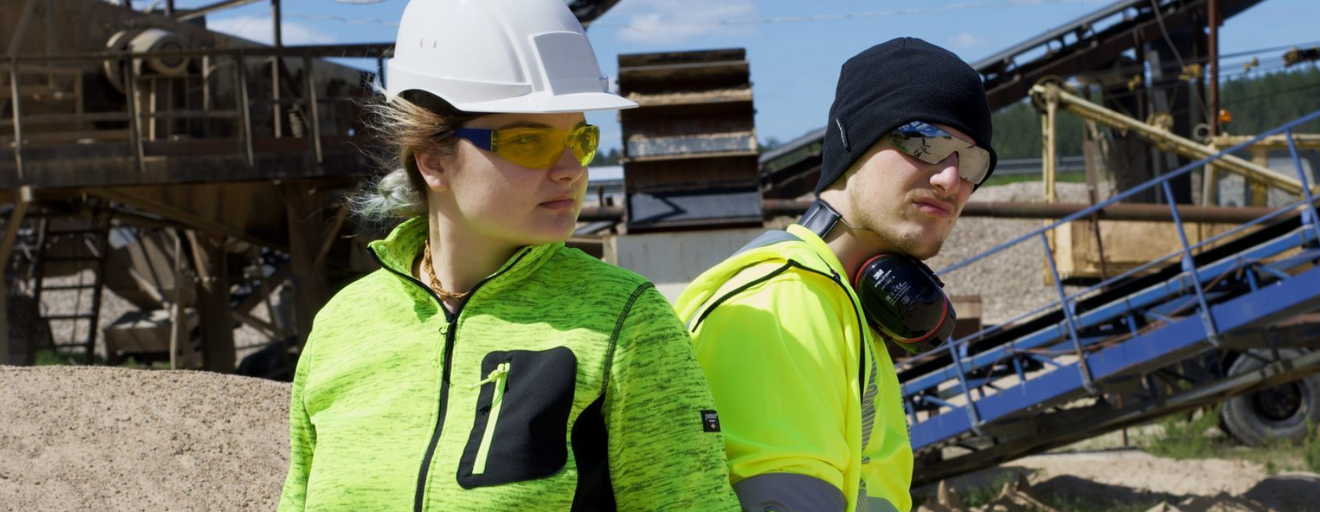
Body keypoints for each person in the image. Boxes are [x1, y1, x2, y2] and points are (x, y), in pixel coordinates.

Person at [276, 1, 739, 510]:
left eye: (581, 139)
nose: (571, 169)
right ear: (433, 162)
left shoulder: (624, 322)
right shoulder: (343, 325)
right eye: (528, 141)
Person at [675, 37, 997, 512]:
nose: (951, 179)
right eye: (924, 141)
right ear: (855, 141)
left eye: (972, 161)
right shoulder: (784, 306)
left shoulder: (844, 306)